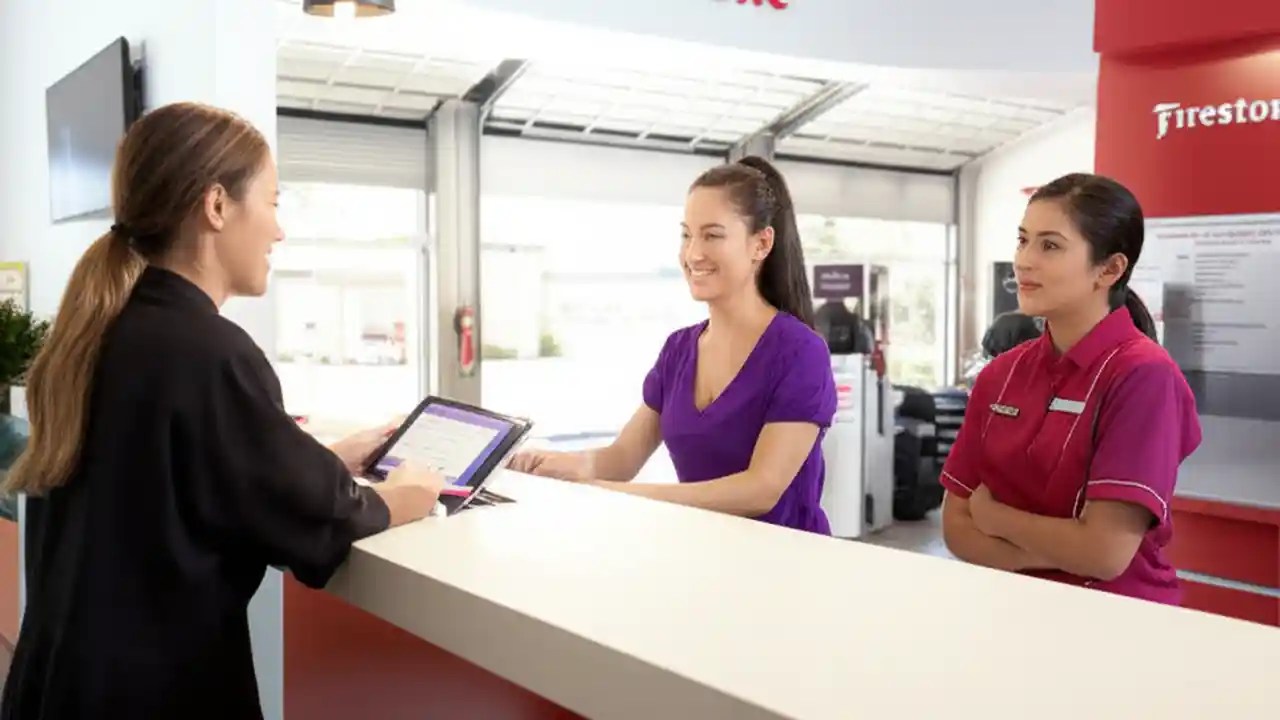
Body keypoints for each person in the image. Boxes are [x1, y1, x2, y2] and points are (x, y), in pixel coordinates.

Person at [0, 102, 444, 720]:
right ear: (216, 206)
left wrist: (327, 458)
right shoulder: (208, 351)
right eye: (273, 203)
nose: (279, 231)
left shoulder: (102, 331)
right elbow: (326, 526)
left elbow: (194, 475)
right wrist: (408, 495)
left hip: (58, 685)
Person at [510, 157, 837, 534]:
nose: (693, 254)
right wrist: (555, 464)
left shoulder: (800, 352)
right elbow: (622, 458)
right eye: (687, 234)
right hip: (703, 556)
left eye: (712, 235)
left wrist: (615, 494)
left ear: (761, 244)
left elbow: (759, 490)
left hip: (789, 567)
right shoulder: (679, 350)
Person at [940, 173, 1201, 605]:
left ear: (1110, 268)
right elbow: (956, 527)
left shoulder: (1143, 376)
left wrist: (995, 517)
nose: (1023, 261)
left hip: (1112, 621)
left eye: (1050, 245)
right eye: (1023, 241)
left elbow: (1103, 553)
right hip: (1006, 611)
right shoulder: (1000, 374)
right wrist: (1049, 555)